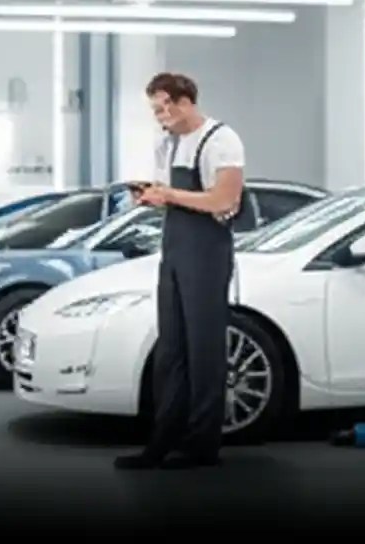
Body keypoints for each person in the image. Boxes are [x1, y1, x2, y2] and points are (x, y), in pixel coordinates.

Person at [114, 72, 246, 469]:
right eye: (155, 109)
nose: (160, 117)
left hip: (207, 250)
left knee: (204, 349)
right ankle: (162, 440)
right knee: (172, 349)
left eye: (163, 108)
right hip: (174, 248)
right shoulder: (166, 144)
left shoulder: (221, 139)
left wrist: (168, 193)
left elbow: (224, 199)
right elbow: (174, 194)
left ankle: (202, 445)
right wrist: (152, 196)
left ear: (184, 102)